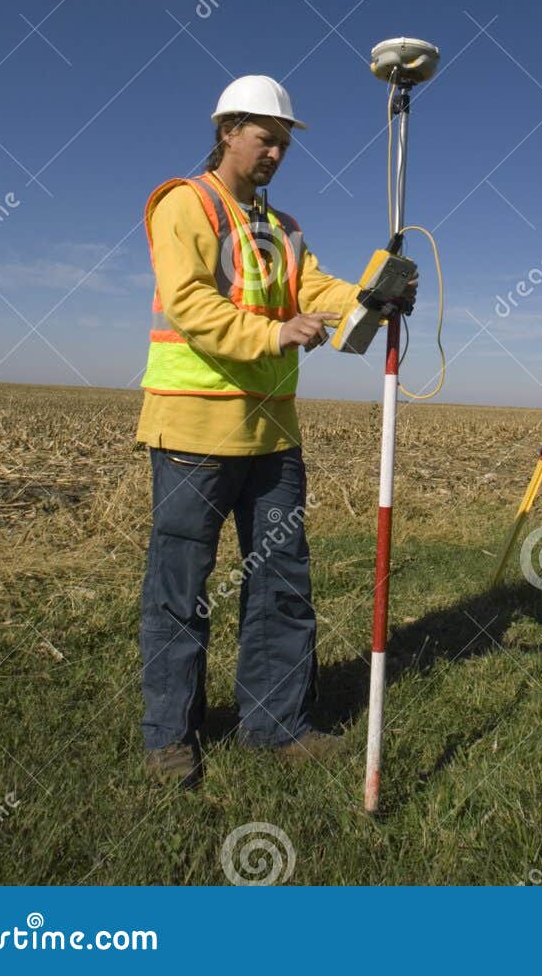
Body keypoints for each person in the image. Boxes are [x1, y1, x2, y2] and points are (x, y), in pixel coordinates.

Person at [136, 74, 390, 788]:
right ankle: (168, 737)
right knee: (179, 590)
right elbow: (189, 303)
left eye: (282, 142)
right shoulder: (185, 205)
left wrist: (373, 292)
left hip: (273, 437)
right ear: (226, 131)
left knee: (280, 583)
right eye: (263, 138)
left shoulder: (280, 229)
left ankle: (274, 725)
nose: (275, 152)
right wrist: (276, 335)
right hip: (192, 432)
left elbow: (314, 287)